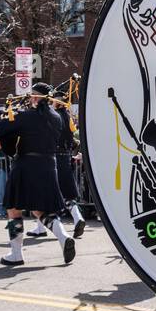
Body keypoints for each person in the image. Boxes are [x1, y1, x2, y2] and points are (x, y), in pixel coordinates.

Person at [0, 83, 74, 266]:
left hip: (26, 165)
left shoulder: (25, 116)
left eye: (31, 96)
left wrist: (8, 117)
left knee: (13, 208)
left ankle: (16, 254)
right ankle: (64, 237)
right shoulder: (56, 118)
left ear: (36, 97)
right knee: (41, 209)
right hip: (49, 166)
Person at [53, 86, 87, 239]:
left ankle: (43, 226)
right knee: (66, 192)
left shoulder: (54, 116)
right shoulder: (67, 116)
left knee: (47, 191)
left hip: (54, 157)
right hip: (65, 156)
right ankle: (78, 217)